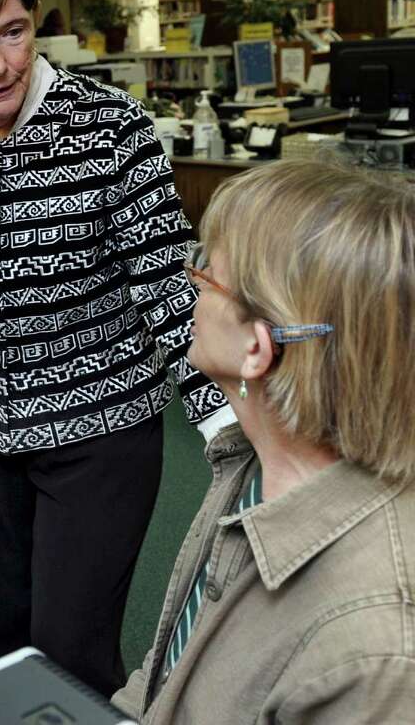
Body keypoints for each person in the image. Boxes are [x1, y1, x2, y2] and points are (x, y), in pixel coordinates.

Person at [0, 0, 232, 696]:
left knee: (70, 650)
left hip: (102, 431)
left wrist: (225, 430)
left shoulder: (115, 131)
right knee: (0, 646)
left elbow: (168, 292)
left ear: (36, 21)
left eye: (13, 32)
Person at [113, 159, 415, 722]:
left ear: (257, 349)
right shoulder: (252, 462)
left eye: (207, 270)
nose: (189, 279)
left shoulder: (377, 646)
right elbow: (172, 670)